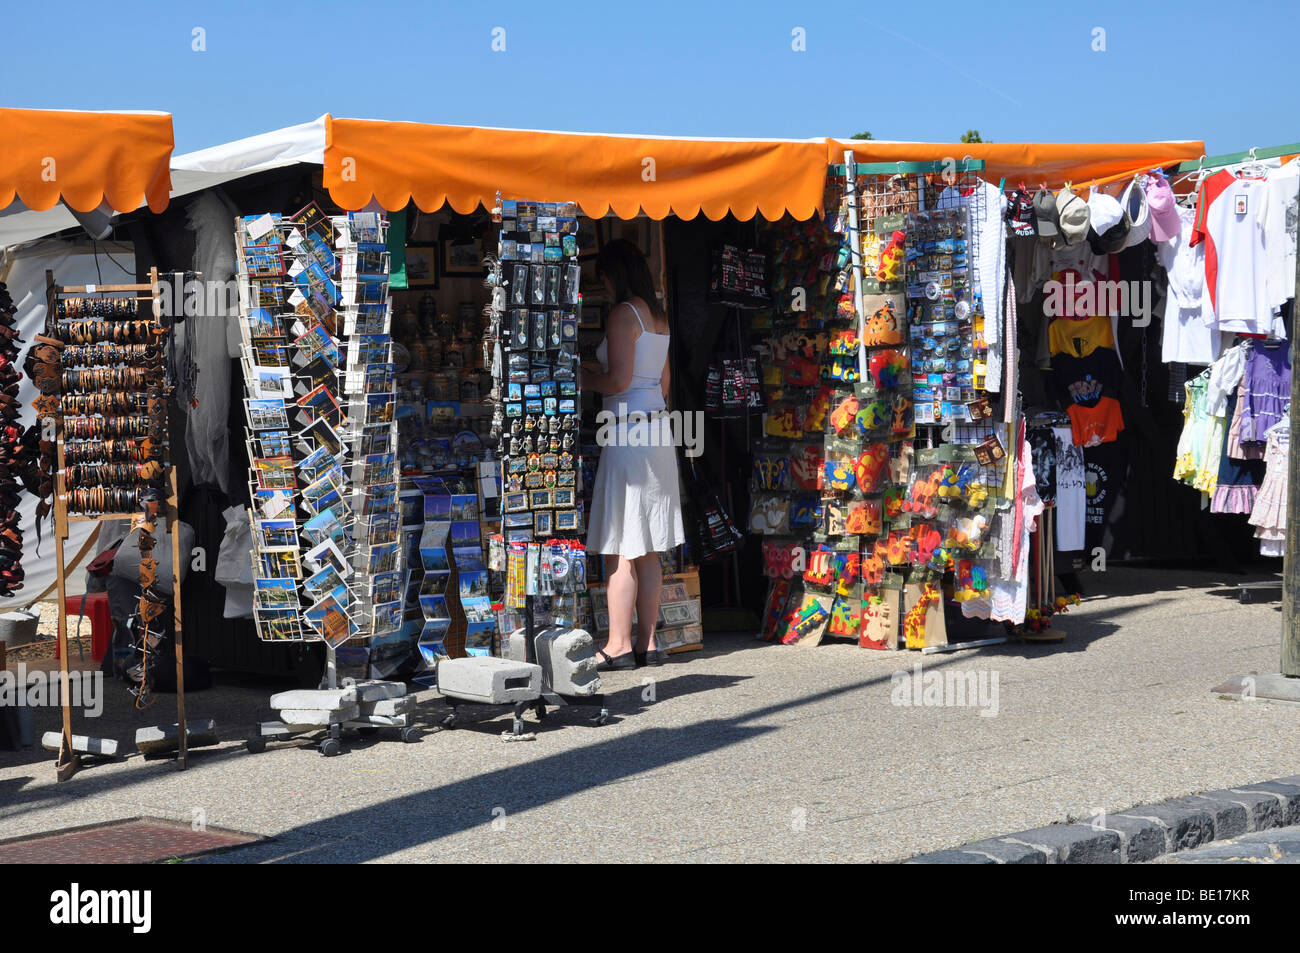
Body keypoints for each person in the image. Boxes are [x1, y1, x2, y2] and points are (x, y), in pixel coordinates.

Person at [581, 240, 685, 670]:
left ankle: (618, 644)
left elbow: (618, 381)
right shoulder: (657, 318)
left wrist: (583, 377)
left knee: (621, 544)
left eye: (603, 278)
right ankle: (649, 642)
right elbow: (661, 385)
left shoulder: (624, 315)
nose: (602, 287)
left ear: (614, 275)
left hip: (627, 434)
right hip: (658, 431)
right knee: (649, 548)